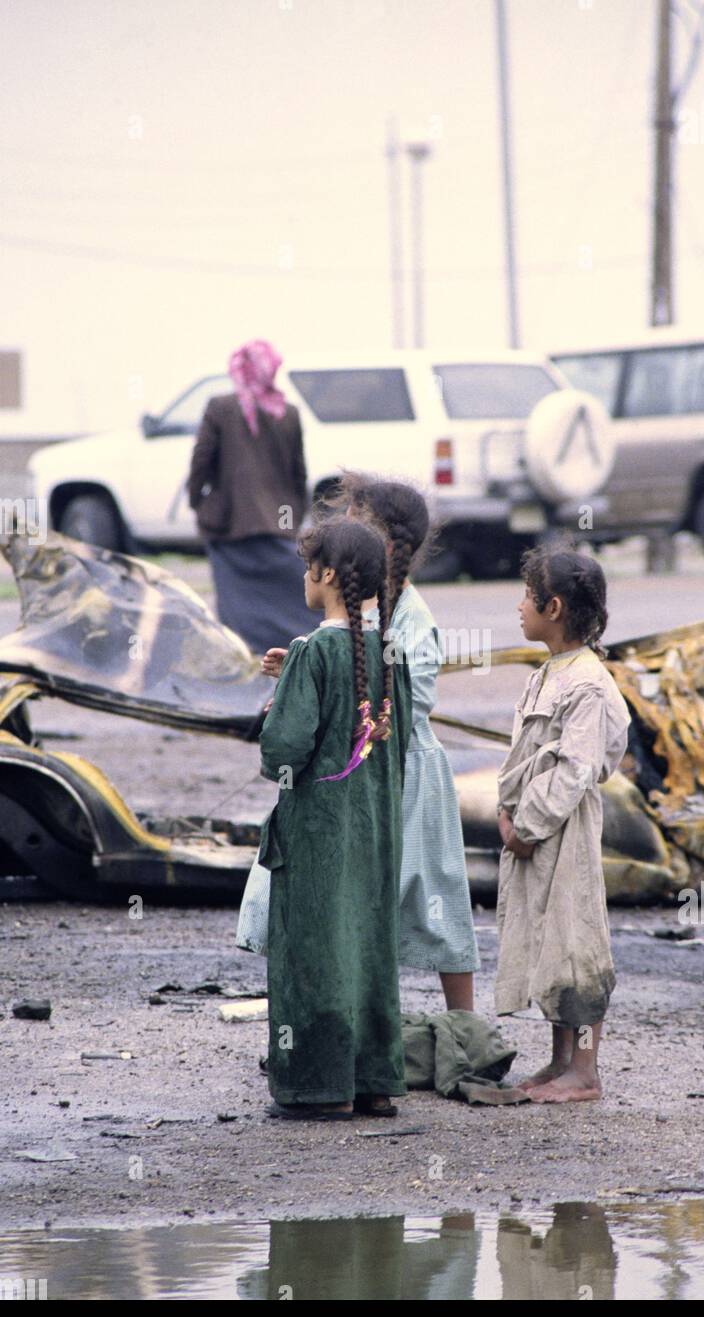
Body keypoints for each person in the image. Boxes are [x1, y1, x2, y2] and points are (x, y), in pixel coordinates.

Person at [262, 474, 481, 1010]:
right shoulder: (357, 610)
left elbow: (407, 702)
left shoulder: (410, 617)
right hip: (357, 769)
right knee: (346, 898)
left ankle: (464, 1032)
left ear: (379, 546)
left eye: (352, 525)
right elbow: (350, 679)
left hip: (402, 773)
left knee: (431, 895)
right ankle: (347, 1026)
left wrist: (311, 700)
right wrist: (299, 678)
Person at [259, 515, 411, 1120]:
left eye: (307, 566)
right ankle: (373, 1083)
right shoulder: (387, 651)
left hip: (318, 833)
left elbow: (283, 751)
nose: (303, 576)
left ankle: (318, 1085)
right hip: (374, 829)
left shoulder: (314, 649)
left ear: (325, 575)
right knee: (369, 945)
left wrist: (281, 701)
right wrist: (292, 677)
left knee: (315, 950)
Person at [495, 542, 630, 1104]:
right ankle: (558, 1060)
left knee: (575, 942)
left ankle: (586, 1071)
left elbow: (574, 771)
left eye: (527, 597)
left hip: (561, 830)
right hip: (532, 830)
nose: (518, 607)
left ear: (552, 608)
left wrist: (525, 827)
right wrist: (510, 815)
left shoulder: (588, 685)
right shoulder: (548, 672)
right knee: (547, 942)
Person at [187, 339, 317, 652]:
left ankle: (244, 654)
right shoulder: (288, 412)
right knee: (287, 595)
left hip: (229, 523)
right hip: (278, 520)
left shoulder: (219, 407)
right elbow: (298, 473)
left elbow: (201, 461)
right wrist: (292, 518)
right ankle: (299, 647)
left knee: (237, 601)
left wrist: (198, 502)